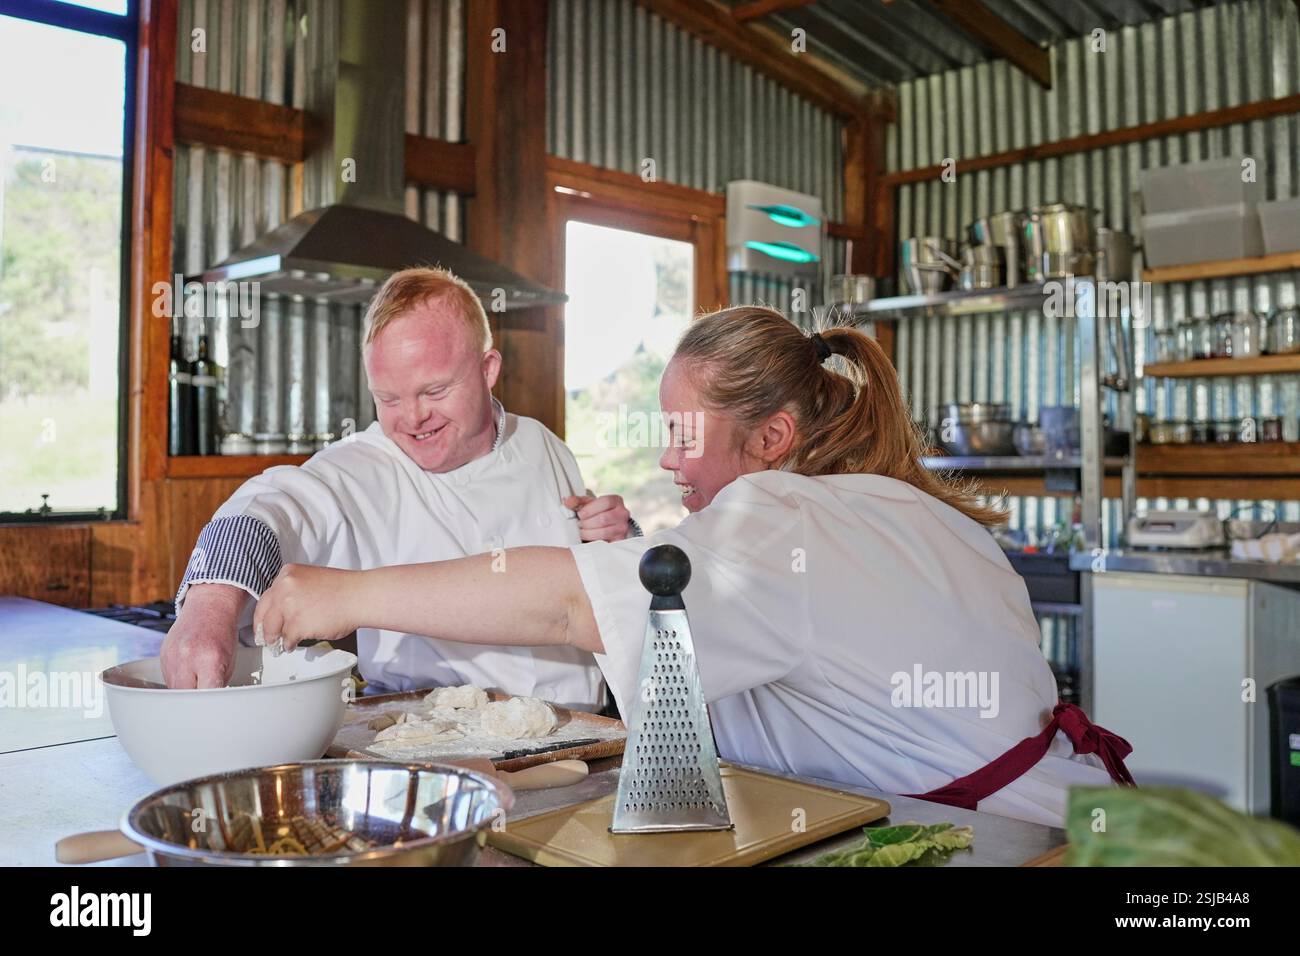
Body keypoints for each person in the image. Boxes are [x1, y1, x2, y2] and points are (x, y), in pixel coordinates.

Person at [253, 305, 1130, 826]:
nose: (669, 460)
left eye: (683, 434)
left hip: (990, 841)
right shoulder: (902, 503)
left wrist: (346, 595)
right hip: (1077, 814)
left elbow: (567, 606)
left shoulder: (781, 514)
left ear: (773, 438)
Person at [161, 267, 636, 711]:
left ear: (487, 369)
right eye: (388, 398)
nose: (412, 418)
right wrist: (208, 607)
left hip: (586, 733)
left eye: (434, 392)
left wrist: (617, 533)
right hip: (434, 739)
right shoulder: (364, 465)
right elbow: (270, 506)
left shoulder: (542, 443)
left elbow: (603, 587)